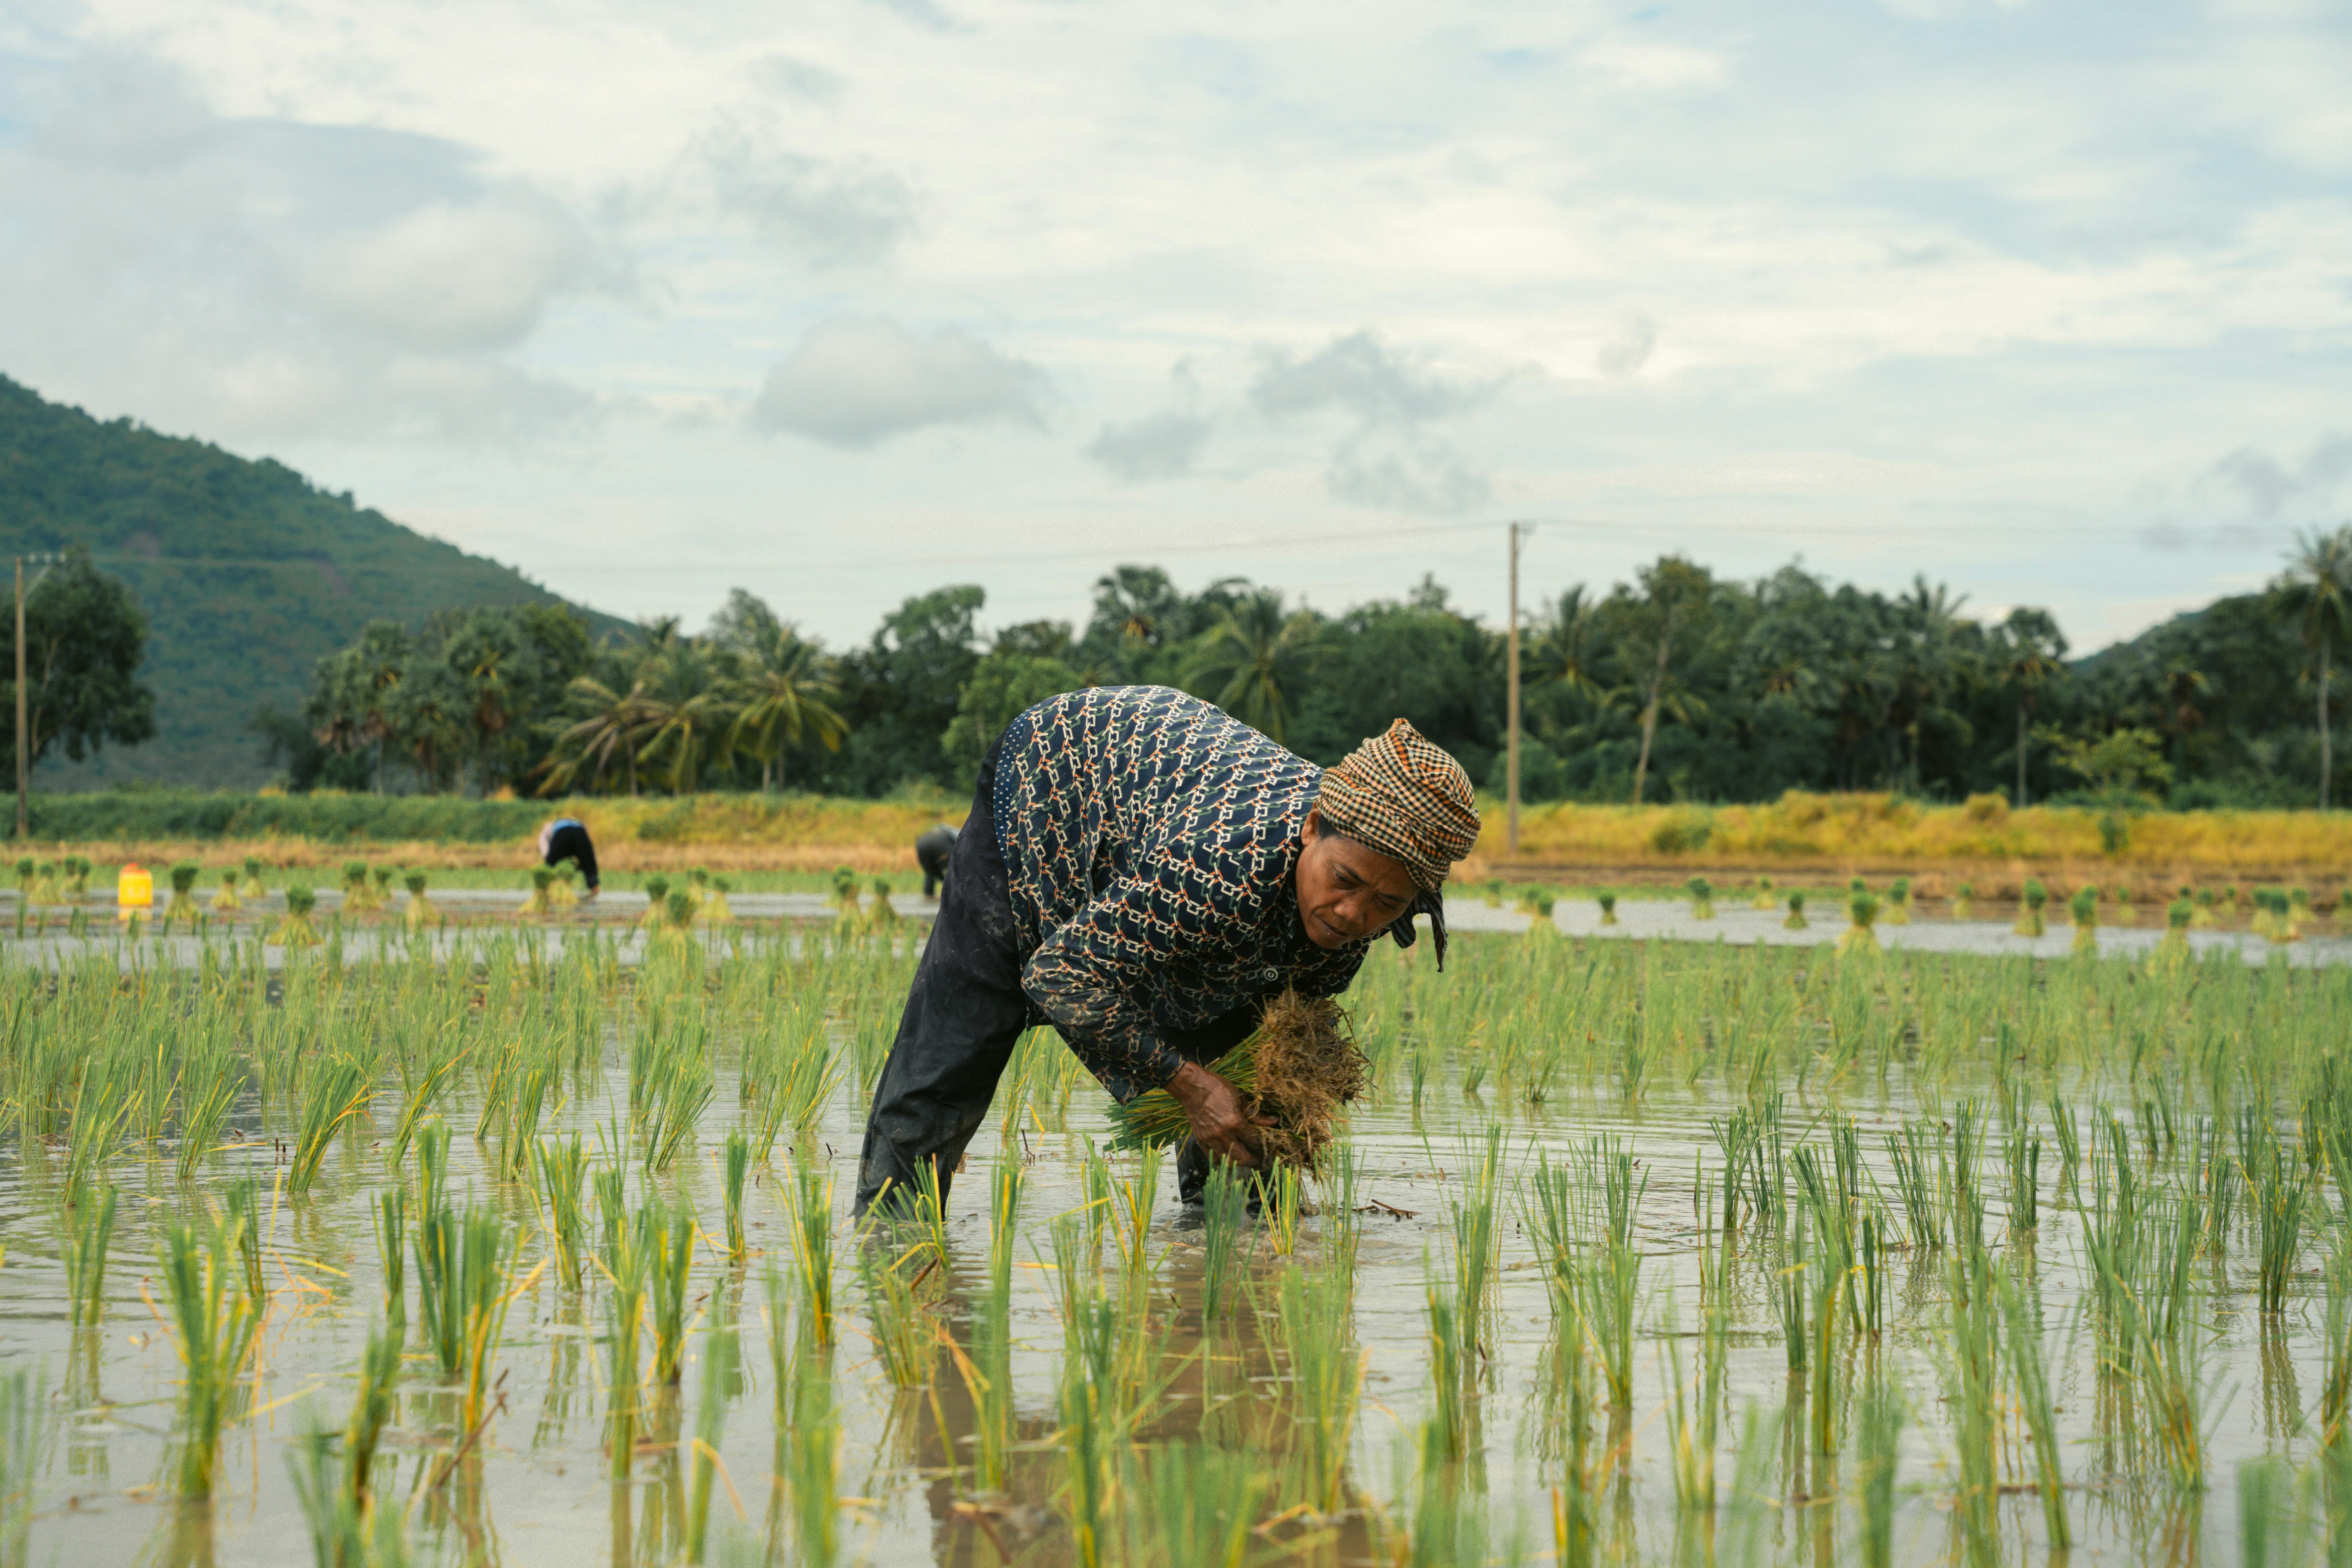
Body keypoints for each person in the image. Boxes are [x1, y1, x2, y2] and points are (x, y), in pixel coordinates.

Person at [854, 685, 1479, 1218]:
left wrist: (1261, 1088)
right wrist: (1189, 1087)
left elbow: (1257, 1034)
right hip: (1054, 775)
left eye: (1385, 904)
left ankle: (1221, 1243)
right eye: (1342, 881)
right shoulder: (1219, 864)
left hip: (1165, 832)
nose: (1353, 915)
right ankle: (889, 1231)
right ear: (1312, 828)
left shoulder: (1356, 913)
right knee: (966, 1026)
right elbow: (1059, 974)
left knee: (1244, 1069)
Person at [538, 816, 600, 897]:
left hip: (562, 835)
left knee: (550, 867)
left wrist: (549, 861)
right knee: (590, 870)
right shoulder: (577, 823)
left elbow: (545, 849)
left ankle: (545, 894)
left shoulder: (548, 828)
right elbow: (588, 850)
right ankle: (595, 892)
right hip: (581, 834)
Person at [915, 823, 959, 898]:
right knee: (953, 870)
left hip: (921, 843)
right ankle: (955, 895)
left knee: (930, 873)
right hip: (941, 843)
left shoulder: (940, 829)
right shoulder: (957, 832)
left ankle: (928, 895)